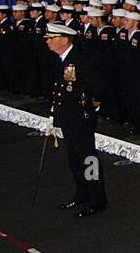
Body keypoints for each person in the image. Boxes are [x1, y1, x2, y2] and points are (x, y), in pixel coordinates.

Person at [42, 23, 106, 217]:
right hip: (67, 117)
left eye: (51, 38)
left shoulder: (79, 60)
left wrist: (91, 107)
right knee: (74, 159)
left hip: (80, 117)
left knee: (88, 158)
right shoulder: (60, 60)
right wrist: (54, 114)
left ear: (64, 39)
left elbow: (98, 85)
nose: (48, 42)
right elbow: (59, 89)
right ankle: (82, 192)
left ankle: (97, 199)